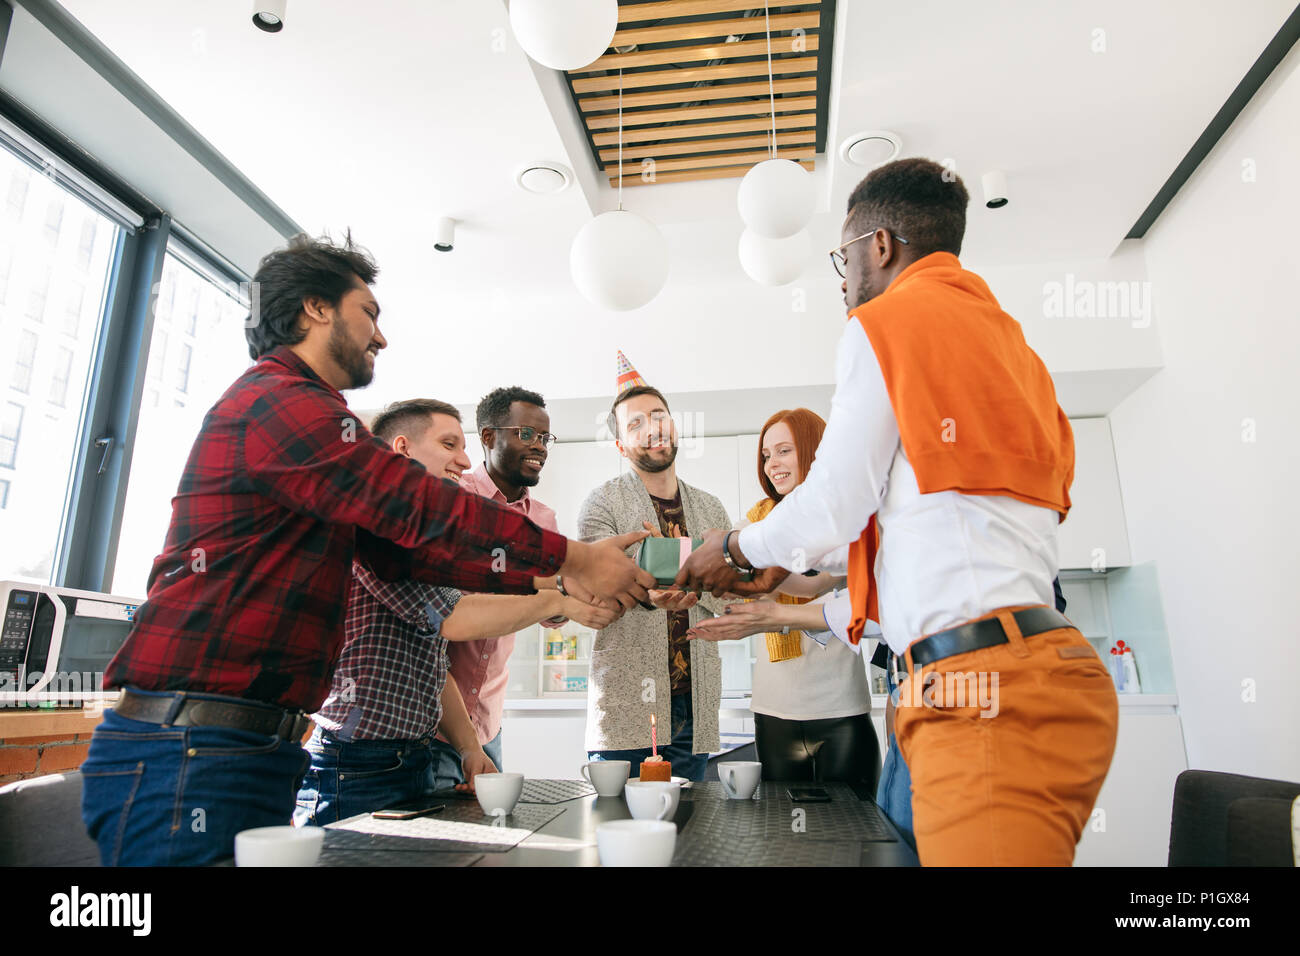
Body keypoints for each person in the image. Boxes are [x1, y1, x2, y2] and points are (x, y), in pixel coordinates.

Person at [80, 233, 653, 866]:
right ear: (316, 308)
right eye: (370, 314)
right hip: (190, 747)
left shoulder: (309, 418)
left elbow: (415, 556)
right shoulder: (279, 402)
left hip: (245, 745)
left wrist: (563, 577)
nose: (381, 338)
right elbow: (414, 507)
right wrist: (571, 559)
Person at [677, 158, 1118, 865]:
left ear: (879, 246)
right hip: (1024, 670)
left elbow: (830, 506)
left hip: (983, 691)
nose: (843, 279)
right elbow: (922, 550)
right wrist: (783, 575)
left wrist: (731, 548)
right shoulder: (1014, 350)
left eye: (842, 257)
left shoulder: (888, 322)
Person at [295, 399, 621, 825]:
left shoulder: (417, 535)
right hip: (354, 763)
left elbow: (433, 660)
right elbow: (453, 617)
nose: (464, 461)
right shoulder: (374, 526)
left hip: (406, 757)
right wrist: (561, 590)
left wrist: (469, 747)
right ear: (401, 450)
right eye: (449, 444)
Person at [690, 408, 878, 788]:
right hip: (774, 709)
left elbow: (812, 585)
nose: (772, 464)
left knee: (850, 835)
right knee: (782, 834)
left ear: (814, 452)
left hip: (840, 707)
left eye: (784, 451)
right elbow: (728, 572)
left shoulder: (850, 524)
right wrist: (694, 578)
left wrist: (745, 558)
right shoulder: (756, 522)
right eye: (766, 455)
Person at [578, 357, 732, 781]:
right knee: (617, 830)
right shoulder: (602, 504)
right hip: (626, 705)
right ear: (621, 446)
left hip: (694, 706)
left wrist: (704, 584)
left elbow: (733, 591)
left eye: (659, 416)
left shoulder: (711, 507)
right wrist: (649, 593)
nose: (652, 428)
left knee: (692, 836)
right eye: (636, 424)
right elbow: (594, 593)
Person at [428, 386, 566, 789]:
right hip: (430, 724)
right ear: (489, 437)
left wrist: (566, 597)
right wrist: (547, 592)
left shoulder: (543, 518)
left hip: (489, 723)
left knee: (490, 841)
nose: (539, 446)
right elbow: (452, 604)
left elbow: (554, 613)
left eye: (544, 438)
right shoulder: (454, 494)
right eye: (527, 434)